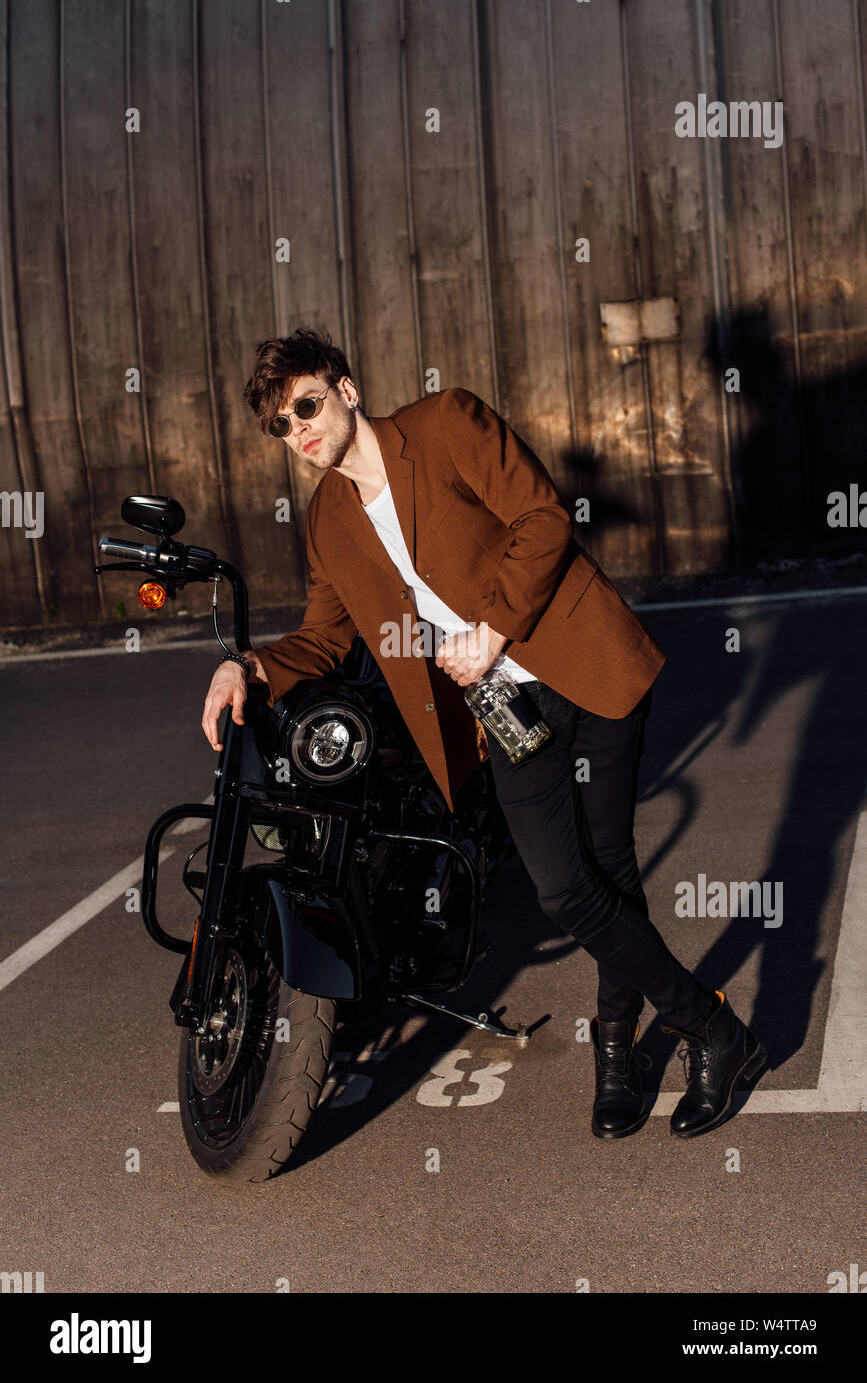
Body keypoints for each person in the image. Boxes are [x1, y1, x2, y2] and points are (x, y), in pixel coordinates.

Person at [201, 327, 766, 1140]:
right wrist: (247, 668)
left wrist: (493, 628)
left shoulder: (443, 424)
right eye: (283, 426)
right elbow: (325, 637)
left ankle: (615, 1049)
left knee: (608, 867)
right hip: (503, 711)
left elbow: (543, 517)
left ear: (347, 389)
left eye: (308, 405)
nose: (300, 430)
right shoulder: (327, 520)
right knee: (562, 887)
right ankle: (712, 1027)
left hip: (580, 661)